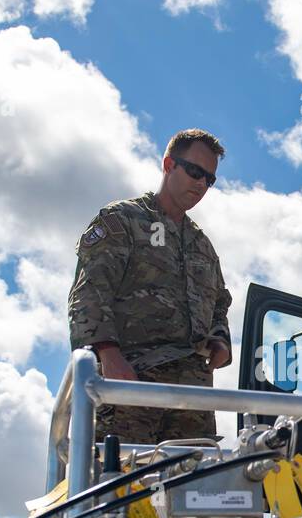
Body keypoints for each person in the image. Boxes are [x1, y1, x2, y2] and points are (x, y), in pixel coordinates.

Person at [68, 128, 233, 445]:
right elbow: (90, 292)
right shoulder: (122, 220)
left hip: (192, 394)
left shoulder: (202, 246)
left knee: (191, 489)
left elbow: (219, 304)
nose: (201, 184)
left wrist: (220, 340)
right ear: (169, 164)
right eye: (195, 171)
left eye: (209, 180)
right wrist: (108, 354)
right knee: (122, 484)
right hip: (131, 379)